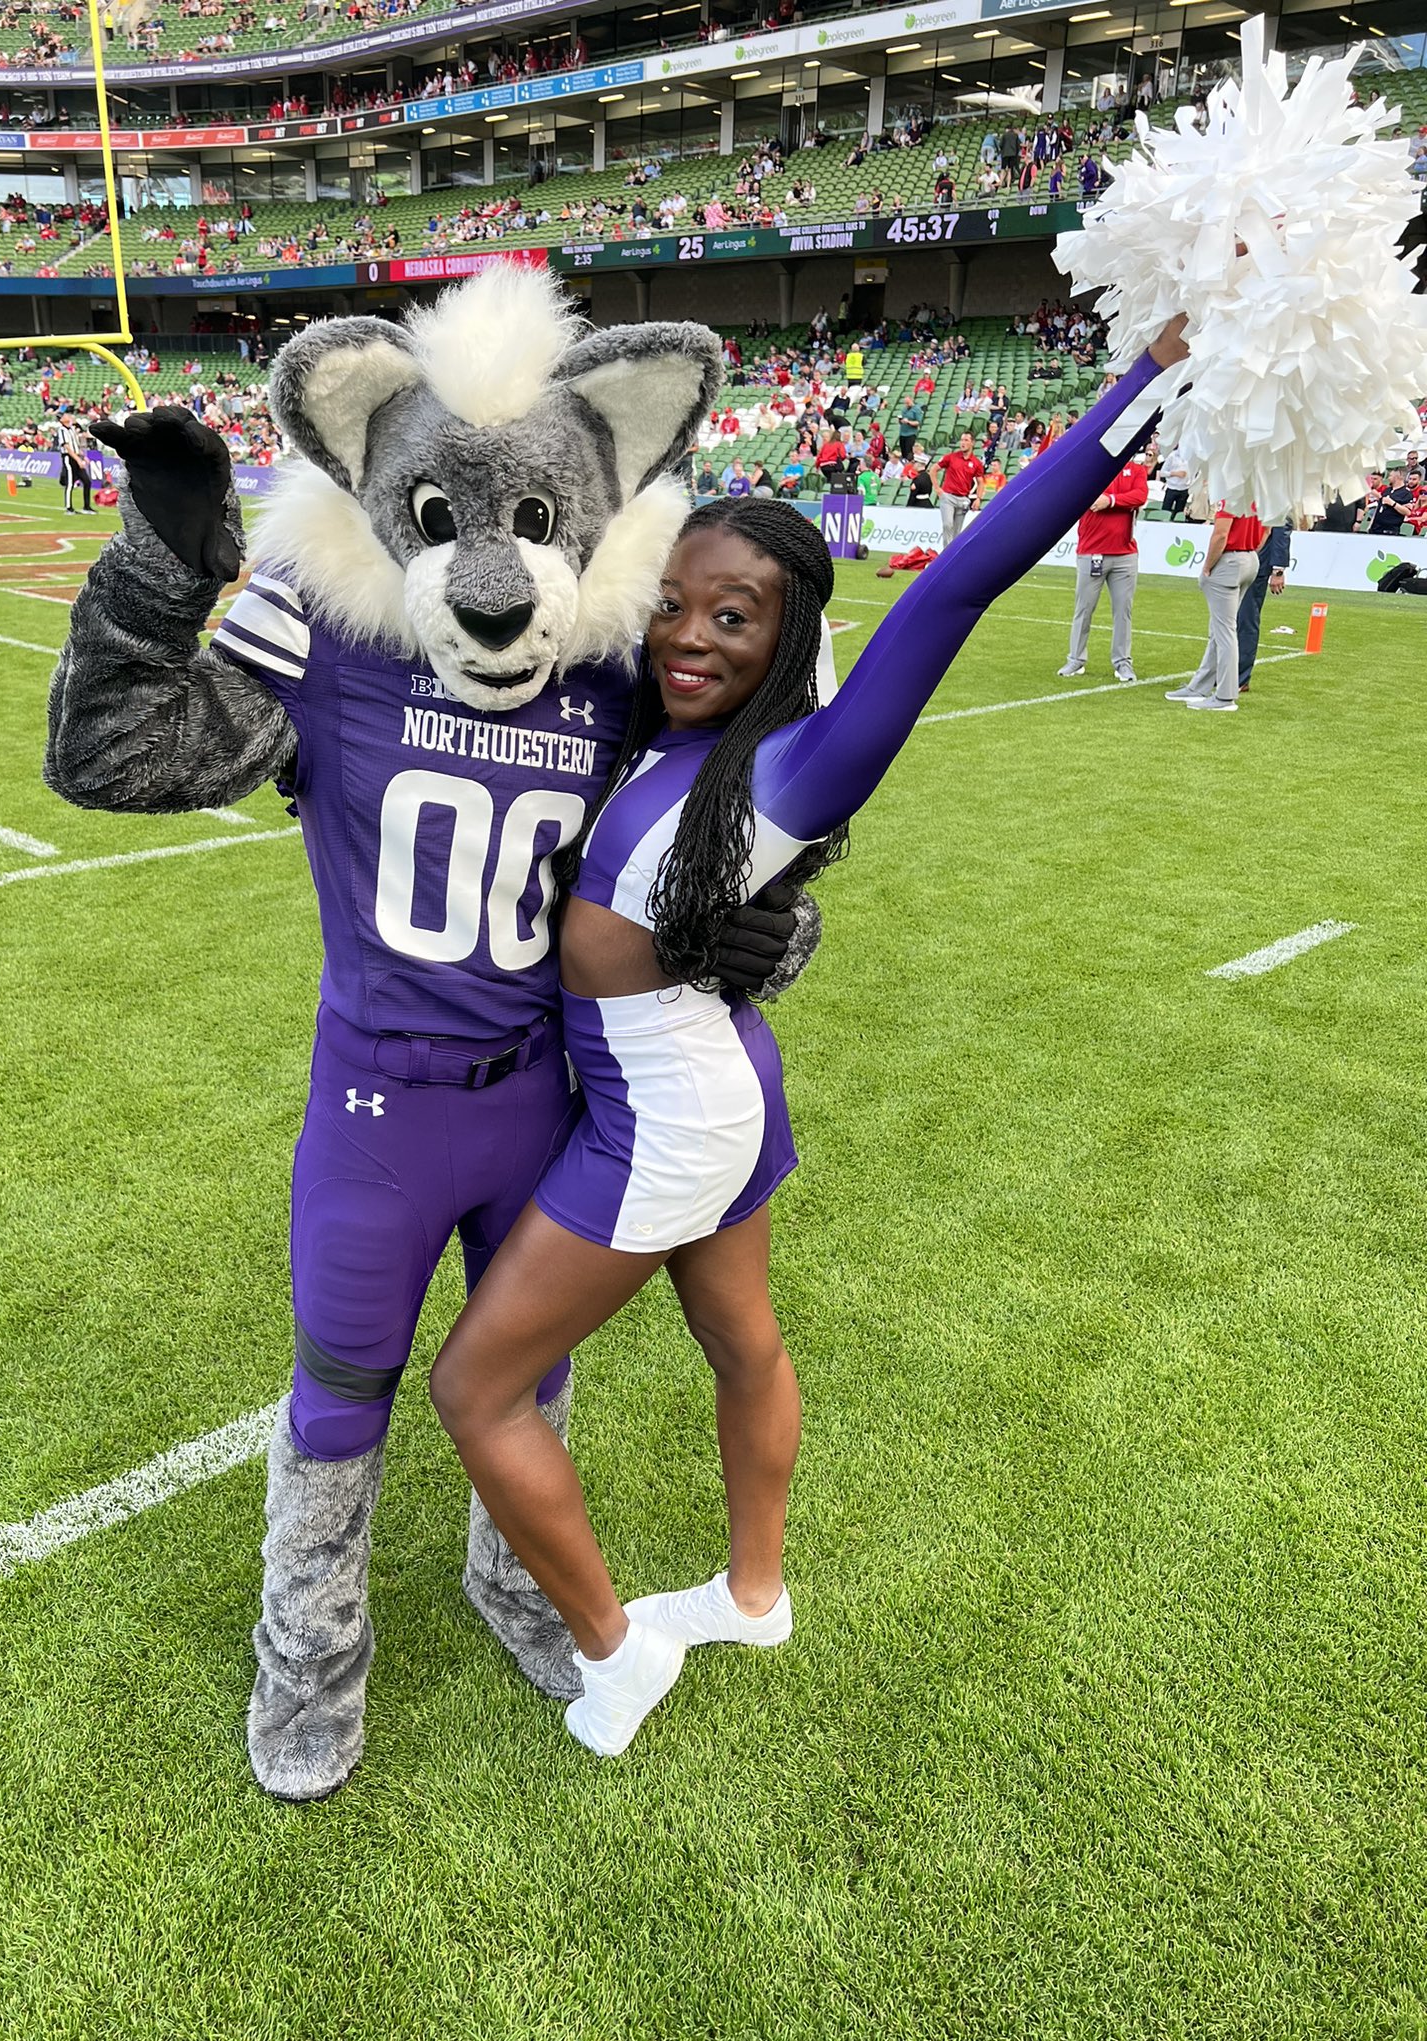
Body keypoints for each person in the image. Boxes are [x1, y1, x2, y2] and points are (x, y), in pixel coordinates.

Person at [425, 321, 1190, 1756]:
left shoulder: (803, 755)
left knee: (472, 1389)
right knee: (740, 1341)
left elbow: (957, 588)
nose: (693, 637)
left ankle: (615, 1648)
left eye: (737, 617)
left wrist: (1147, 380)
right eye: (678, 607)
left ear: (790, 636)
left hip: (667, 1112)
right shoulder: (659, 734)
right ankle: (756, 1592)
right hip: (705, 1079)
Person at [1166, 501, 1266, 711]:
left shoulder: (1231, 495)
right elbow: (1267, 528)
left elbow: (1221, 534)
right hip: (1249, 558)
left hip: (1230, 560)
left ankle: (1225, 696)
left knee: (1224, 632)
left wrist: (1207, 567)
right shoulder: (1259, 493)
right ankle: (1200, 687)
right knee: (1220, 629)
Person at [1057, 454, 1148, 682]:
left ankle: (1123, 663)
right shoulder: (1091, 468)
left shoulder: (1135, 470)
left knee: (1123, 612)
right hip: (1091, 552)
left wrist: (1111, 501)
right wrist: (1119, 502)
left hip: (1125, 554)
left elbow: (1140, 496)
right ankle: (1075, 659)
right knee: (1084, 609)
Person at [1235, 522, 1291, 694]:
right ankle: (1224, 673)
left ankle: (1240, 678)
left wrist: (1278, 570)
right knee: (1230, 620)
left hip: (1257, 562)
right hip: (1239, 559)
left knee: (1246, 618)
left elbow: (1282, 529)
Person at [934, 430, 983, 548]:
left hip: (963, 499)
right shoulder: (951, 457)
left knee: (957, 531)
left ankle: (952, 554)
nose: (963, 443)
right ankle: (946, 554)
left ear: (972, 443)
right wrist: (937, 488)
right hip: (948, 496)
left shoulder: (976, 463)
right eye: (962, 440)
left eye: (966, 440)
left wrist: (978, 498)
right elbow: (933, 469)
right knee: (947, 524)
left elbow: (981, 482)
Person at [57, 411, 94, 515]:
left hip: (76, 456)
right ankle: (69, 508)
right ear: (61, 420)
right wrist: (78, 460)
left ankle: (86, 506)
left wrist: (83, 457)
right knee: (70, 483)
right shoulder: (62, 430)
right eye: (65, 416)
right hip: (69, 458)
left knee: (87, 481)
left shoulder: (72, 429)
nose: (68, 416)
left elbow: (76, 446)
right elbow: (67, 447)